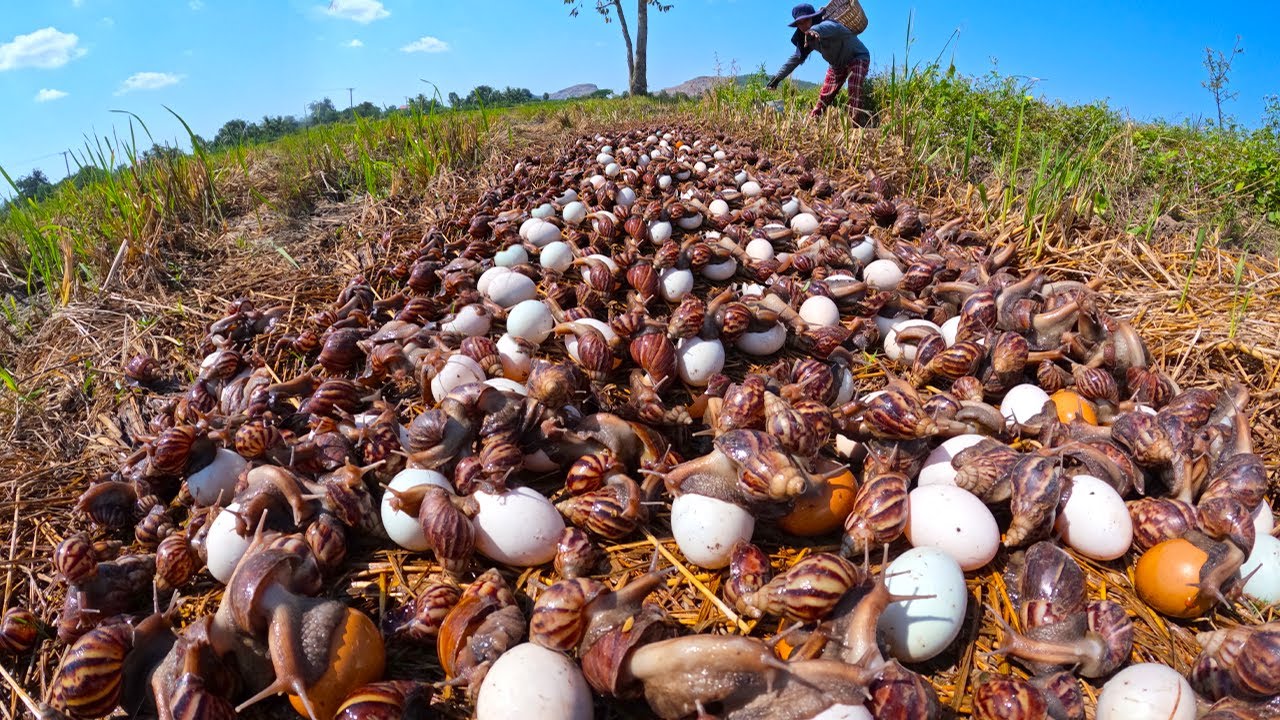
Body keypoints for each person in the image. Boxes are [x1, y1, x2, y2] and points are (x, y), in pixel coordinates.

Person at [767, 3, 871, 121]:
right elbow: (794, 60)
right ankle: (813, 121)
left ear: (813, 18)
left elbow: (826, 28)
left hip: (857, 57)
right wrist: (777, 78)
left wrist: (814, 30)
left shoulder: (830, 24)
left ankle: (854, 123)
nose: (803, 26)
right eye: (799, 23)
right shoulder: (807, 40)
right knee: (824, 96)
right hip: (836, 64)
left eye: (806, 20)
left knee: (854, 88)